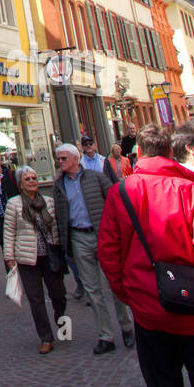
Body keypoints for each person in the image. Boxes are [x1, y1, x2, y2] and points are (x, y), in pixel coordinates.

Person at [98, 123, 194, 387]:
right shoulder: (190, 190)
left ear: (137, 153)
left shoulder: (121, 192)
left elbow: (108, 255)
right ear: (171, 151)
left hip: (149, 316)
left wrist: (131, 295)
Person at [53, 142, 134, 354]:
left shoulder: (95, 178)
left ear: (75, 159)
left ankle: (126, 327)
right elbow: (61, 216)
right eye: (58, 158)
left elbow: (115, 202)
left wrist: (116, 234)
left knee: (114, 284)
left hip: (102, 236)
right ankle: (106, 335)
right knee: (92, 290)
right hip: (78, 238)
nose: (59, 162)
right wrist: (65, 243)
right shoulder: (58, 185)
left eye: (63, 158)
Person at [3, 165, 67, 354]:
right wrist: (9, 257)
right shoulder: (14, 204)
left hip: (50, 256)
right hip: (27, 258)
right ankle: (46, 337)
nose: (32, 181)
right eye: (27, 179)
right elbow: (9, 232)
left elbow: (56, 227)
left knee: (59, 295)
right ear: (20, 184)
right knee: (36, 299)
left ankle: (61, 319)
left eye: (34, 178)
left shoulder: (48, 201)